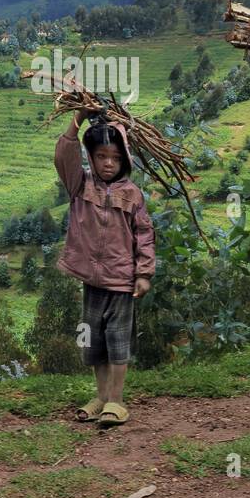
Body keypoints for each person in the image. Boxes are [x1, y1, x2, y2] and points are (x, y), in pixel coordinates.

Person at [54, 108, 155, 426]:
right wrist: (79, 117)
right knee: (93, 342)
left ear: (124, 159)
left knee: (117, 341)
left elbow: (144, 235)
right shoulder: (79, 185)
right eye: (100, 156)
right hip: (92, 281)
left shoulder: (132, 195)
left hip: (121, 282)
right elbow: (63, 154)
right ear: (91, 157)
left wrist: (144, 274)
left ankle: (116, 400)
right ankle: (99, 397)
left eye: (114, 157)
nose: (107, 163)